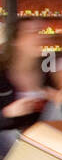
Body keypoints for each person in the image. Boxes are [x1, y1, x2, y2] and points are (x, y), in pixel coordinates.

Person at [0, 18, 56, 152]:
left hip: (43, 143)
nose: (39, 37)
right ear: (15, 41)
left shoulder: (48, 72)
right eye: (31, 32)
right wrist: (8, 113)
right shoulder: (2, 75)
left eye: (40, 32)